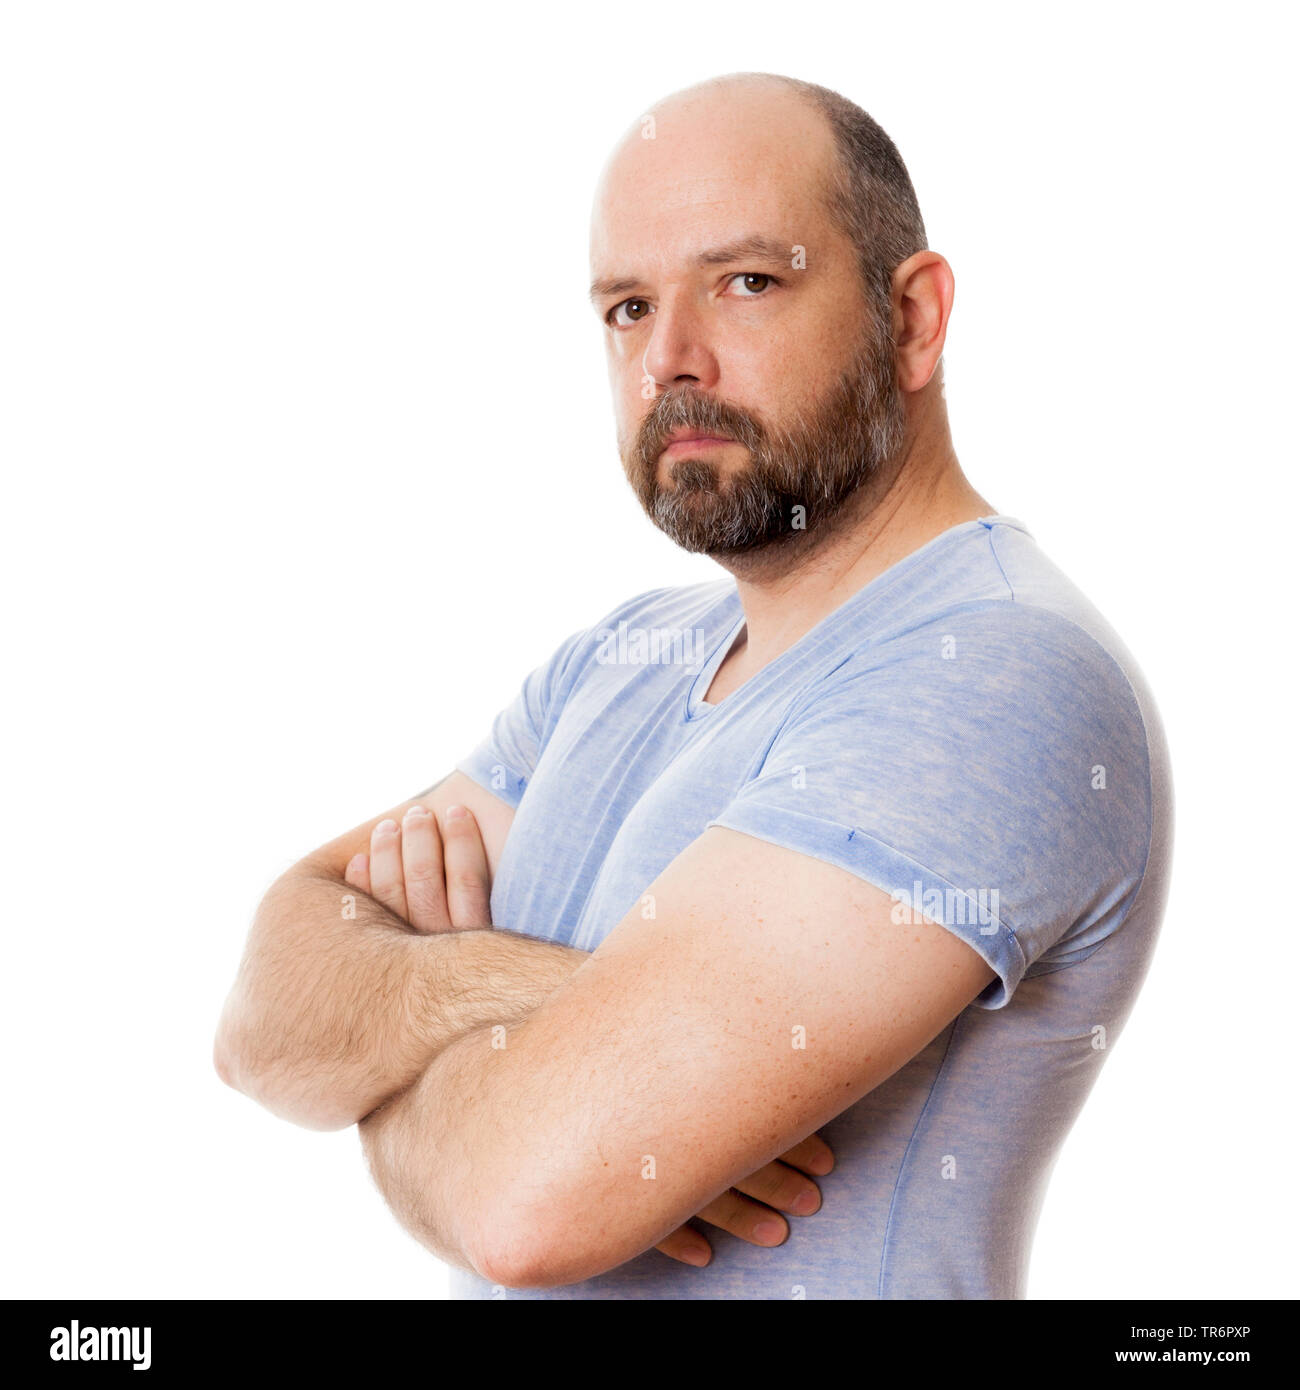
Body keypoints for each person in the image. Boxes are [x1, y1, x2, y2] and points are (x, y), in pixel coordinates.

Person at [214, 71, 1172, 1299]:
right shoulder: (612, 662)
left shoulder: (998, 670)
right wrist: (525, 1005)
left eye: (747, 282)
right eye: (625, 305)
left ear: (915, 319)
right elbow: (260, 1020)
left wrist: (392, 1056)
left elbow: (522, 1204)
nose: (669, 358)